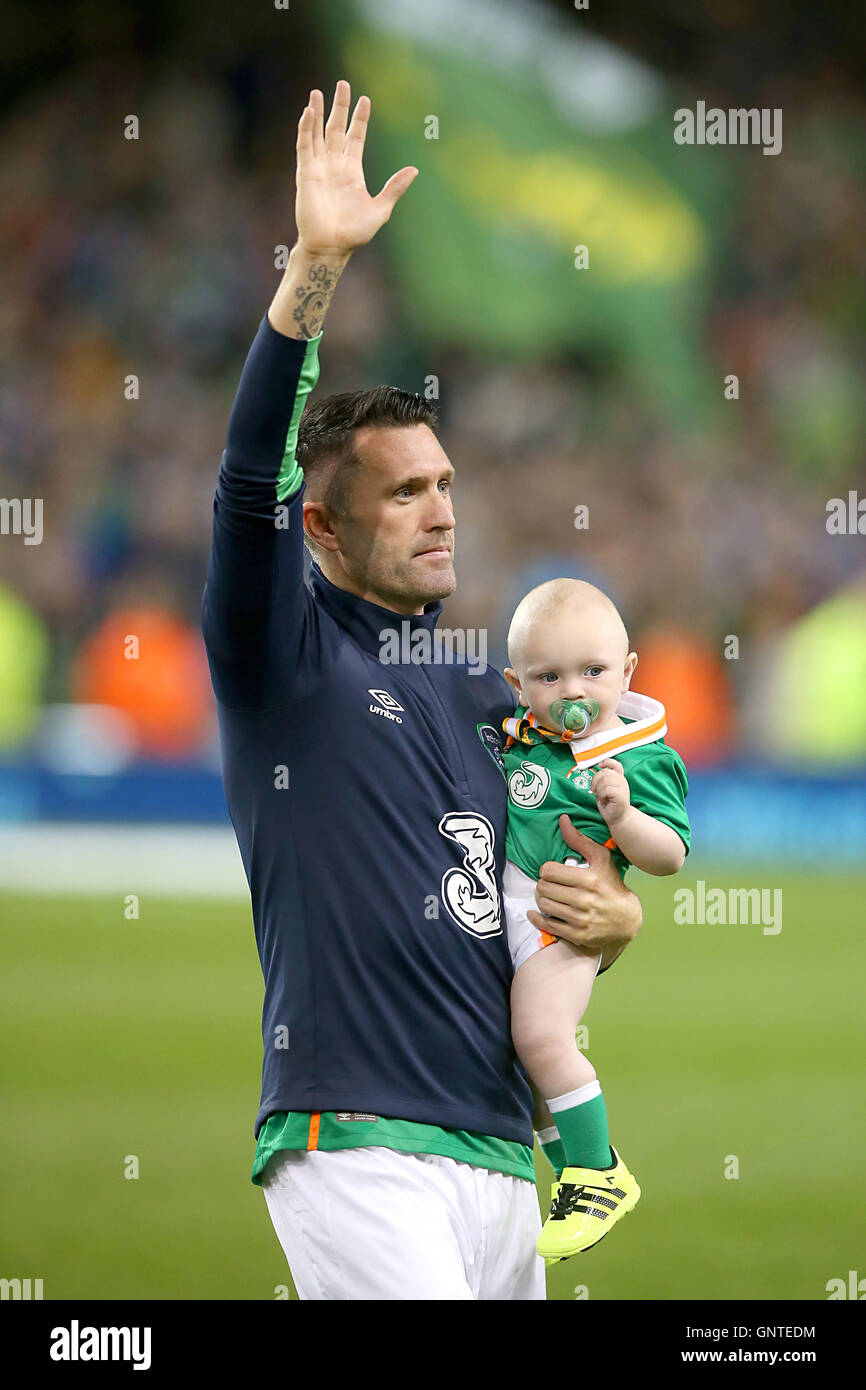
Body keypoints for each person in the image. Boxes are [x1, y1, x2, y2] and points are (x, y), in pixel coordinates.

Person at [202, 80, 643, 1301]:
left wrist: (611, 927)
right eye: (401, 492)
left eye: (442, 482)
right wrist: (314, 273)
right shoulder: (282, 657)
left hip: (504, 1157)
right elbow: (248, 480)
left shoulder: (485, 700)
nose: (440, 508)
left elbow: (535, 896)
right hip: (356, 1137)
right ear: (327, 531)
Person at [500, 578, 690, 1263]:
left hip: (567, 919)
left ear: (629, 671)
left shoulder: (639, 756)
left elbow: (669, 855)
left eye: (593, 671)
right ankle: (578, 1171)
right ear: (516, 684)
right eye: (548, 676)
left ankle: (599, 1174)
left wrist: (622, 816)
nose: (572, 691)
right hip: (514, 916)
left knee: (541, 1037)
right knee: (526, 1071)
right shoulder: (523, 734)